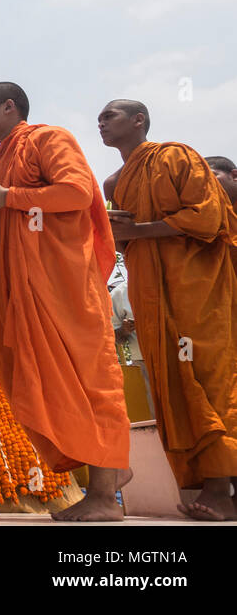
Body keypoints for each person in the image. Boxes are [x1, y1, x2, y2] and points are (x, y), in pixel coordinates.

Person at [0, 83, 131, 521]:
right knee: (45, 380)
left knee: (88, 381)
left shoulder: (49, 138)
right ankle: (103, 483)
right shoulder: (3, 154)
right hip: (27, 289)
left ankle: (106, 496)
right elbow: (23, 223)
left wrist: (6, 198)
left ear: (10, 107)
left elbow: (76, 193)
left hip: (65, 288)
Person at [100, 100, 237, 521]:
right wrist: (122, 233)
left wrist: (138, 230)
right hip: (152, 293)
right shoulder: (113, 183)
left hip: (198, 288)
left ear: (138, 120)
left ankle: (219, 489)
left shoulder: (176, 156)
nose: (101, 123)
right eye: (99, 118)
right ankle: (202, 487)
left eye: (110, 115)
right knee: (174, 384)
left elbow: (208, 217)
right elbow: (123, 242)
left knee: (208, 378)